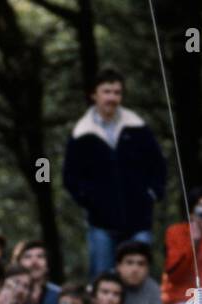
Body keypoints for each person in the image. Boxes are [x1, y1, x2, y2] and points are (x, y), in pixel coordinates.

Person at [63, 66, 167, 274]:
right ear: (94, 95)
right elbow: (70, 177)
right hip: (101, 224)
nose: (112, 98)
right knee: (103, 281)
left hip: (139, 221)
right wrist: (91, 200)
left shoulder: (137, 128)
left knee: (140, 279)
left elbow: (158, 164)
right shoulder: (81, 134)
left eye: (117, 92)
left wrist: (152, 193)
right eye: (106, 92)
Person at [13, 240, 61, 304]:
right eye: (28, 257)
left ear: (47, 265)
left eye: (40, 256)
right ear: (18, 264)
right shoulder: (9, 294)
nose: (34, 262)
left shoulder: (59, 295)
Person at [114, 240, 162, 304]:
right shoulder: (106, 285)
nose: (135, 269)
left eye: (141, 264)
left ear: (148, 269)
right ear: (118, 266)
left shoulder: (153, 290)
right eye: (129, 263)